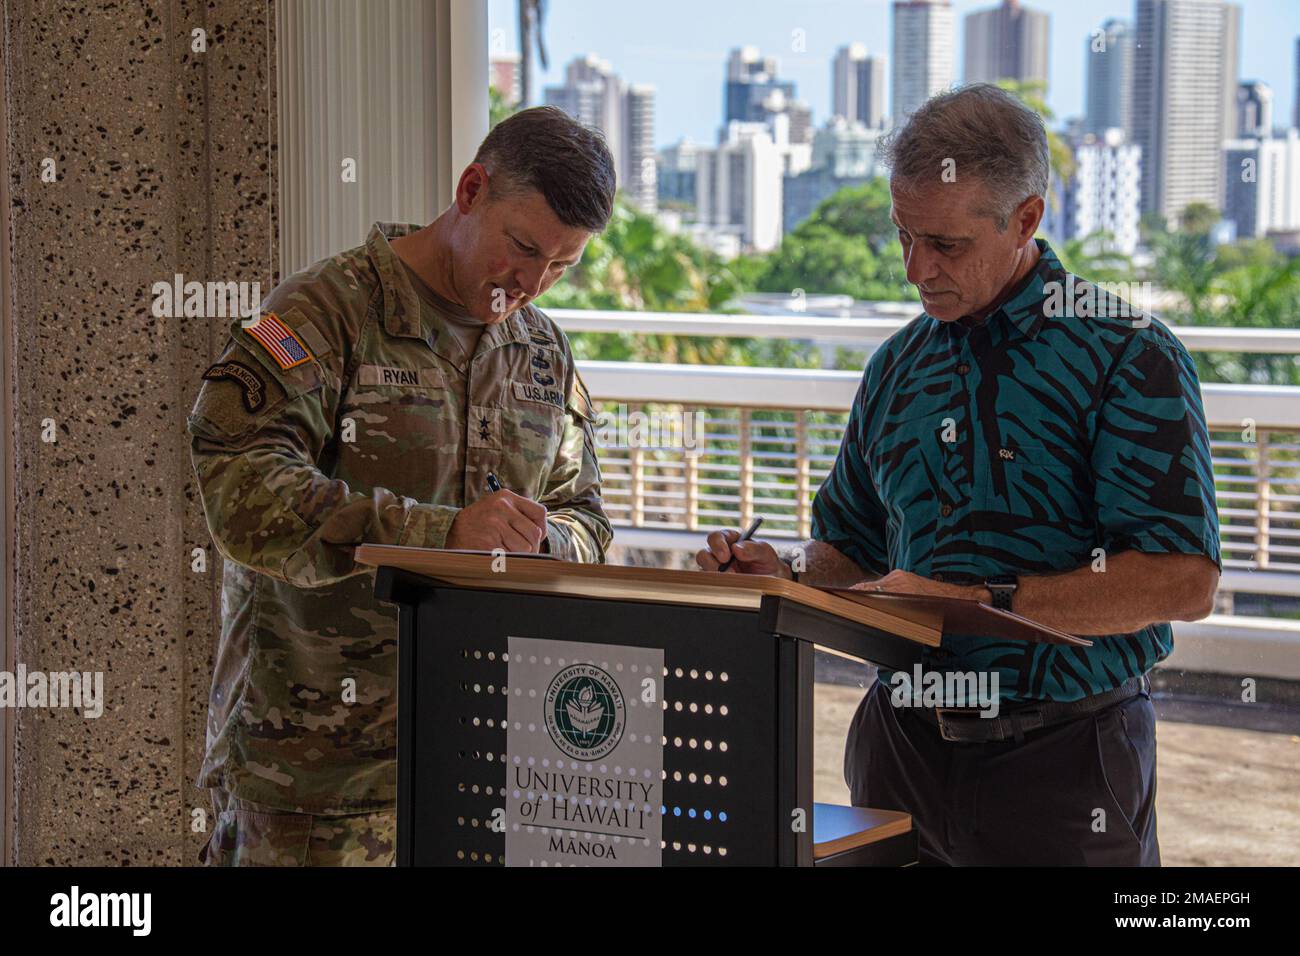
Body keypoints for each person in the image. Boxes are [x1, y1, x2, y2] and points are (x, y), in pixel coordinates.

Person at [696, 84, 1221, 866]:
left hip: (1067, 762)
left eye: (945, 245)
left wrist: (987, 602)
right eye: (903, 236)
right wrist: (788, 570)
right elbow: (853, 546)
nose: (915, 269)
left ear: (1026, 220)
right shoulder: (897, 365)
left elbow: (1183, 580)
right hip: (895, 750)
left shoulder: (1127, 355)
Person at [188, 106, 615, 865]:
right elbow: (240, 483)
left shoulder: (542, 351)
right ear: (471, 188)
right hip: (311, 784)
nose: (532, 282)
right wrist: (438, 536)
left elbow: (584, 513)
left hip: (483, 771)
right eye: (523, 248)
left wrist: (544, 539)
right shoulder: (319, 312)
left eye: (562, 265)